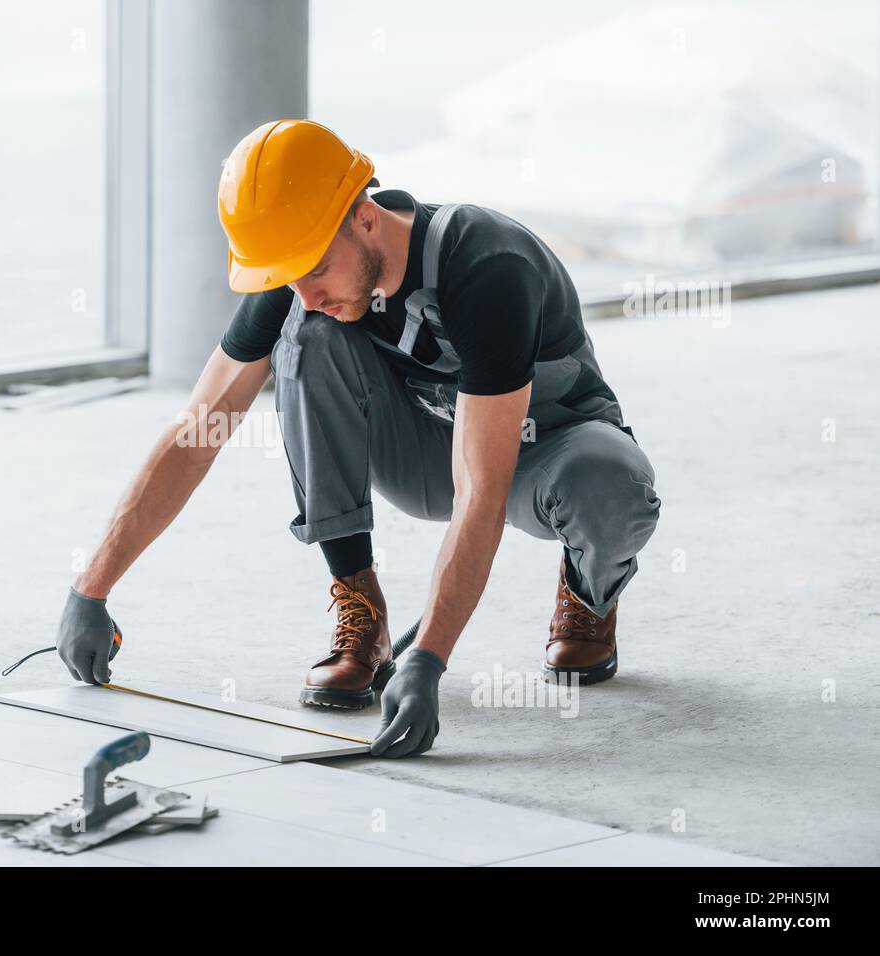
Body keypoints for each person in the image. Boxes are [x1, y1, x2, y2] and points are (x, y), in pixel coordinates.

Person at [54, 119, 661, 758]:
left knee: (613, 488)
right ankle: (362, 612)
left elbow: (482, 488)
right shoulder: (304, 282)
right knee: (308, 341)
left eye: (314, 270)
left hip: (550, 457)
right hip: (432, 452)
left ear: (365, 218)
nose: (305, 293)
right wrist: (89, 588)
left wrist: (429, 659)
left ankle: (588, 593)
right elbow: (197, 430)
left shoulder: (489, 268)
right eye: (288, 278)